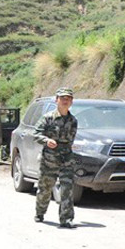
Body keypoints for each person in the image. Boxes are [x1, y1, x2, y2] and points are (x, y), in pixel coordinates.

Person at [34, 87, 79, 228]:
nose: (65, 101)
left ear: (71, 101)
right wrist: (47, 141)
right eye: (63, 98)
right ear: (56, 100)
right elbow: (36, 134)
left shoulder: (73, 120)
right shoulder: (48, 118)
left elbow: (71, 140)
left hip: (67, 159)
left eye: (68, 98)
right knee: (45, 188)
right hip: (50, 159)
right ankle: (40, 212)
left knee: (67, 188)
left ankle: (66, 219)